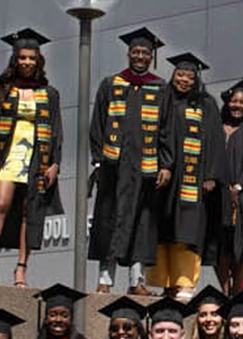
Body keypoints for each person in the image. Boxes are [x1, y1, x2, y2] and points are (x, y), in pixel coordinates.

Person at [0, 28, 61, 287]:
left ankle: (21, 269)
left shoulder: (49, 93)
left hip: (37, 157)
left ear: (38, 61)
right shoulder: (0, 89)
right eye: (22, 57)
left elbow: (57, 130)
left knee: (29, 211)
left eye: (32, 58)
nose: (27, 62)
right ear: (15, 59)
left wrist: (55, 163)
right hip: (8, 154)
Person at [89, 27, 167, 296]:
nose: (141, 57)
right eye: (136, 52)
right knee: (109, 222)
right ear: (128, 53)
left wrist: (165, 164)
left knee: (142, 223)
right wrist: (98, 161)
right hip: (114, 168)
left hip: (146, 169)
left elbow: (166, 130)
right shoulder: (111, 84)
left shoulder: (160, 88)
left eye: (146, 53)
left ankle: (137, 282)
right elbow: (97, 124)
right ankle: (104, 280)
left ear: (151, 56)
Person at [152, 51, 222, 300]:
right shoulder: (164, 99)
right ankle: (165, 284)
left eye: (189, 77)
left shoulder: (207, 104)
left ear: (196, 80)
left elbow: (215, 140)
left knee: (188, 232)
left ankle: (185, 284)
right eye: (179, 74)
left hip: (194, 178)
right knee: (164, 230)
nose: (183, 80)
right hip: (167, 177)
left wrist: (211, 175)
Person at [213, 79, 243, 295]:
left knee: (239, 245)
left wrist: (239, 187)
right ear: (227, 103)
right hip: (216, 194)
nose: (238, 106)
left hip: (241, 196)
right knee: (220, 246)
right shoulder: (216, 128)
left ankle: (236, 290)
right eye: (234, 101)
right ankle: (224, 290)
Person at [22, 283, 101, 339]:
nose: (58, 320)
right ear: (45, 318)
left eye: (65, 316)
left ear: (71, 318)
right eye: (52, 315)